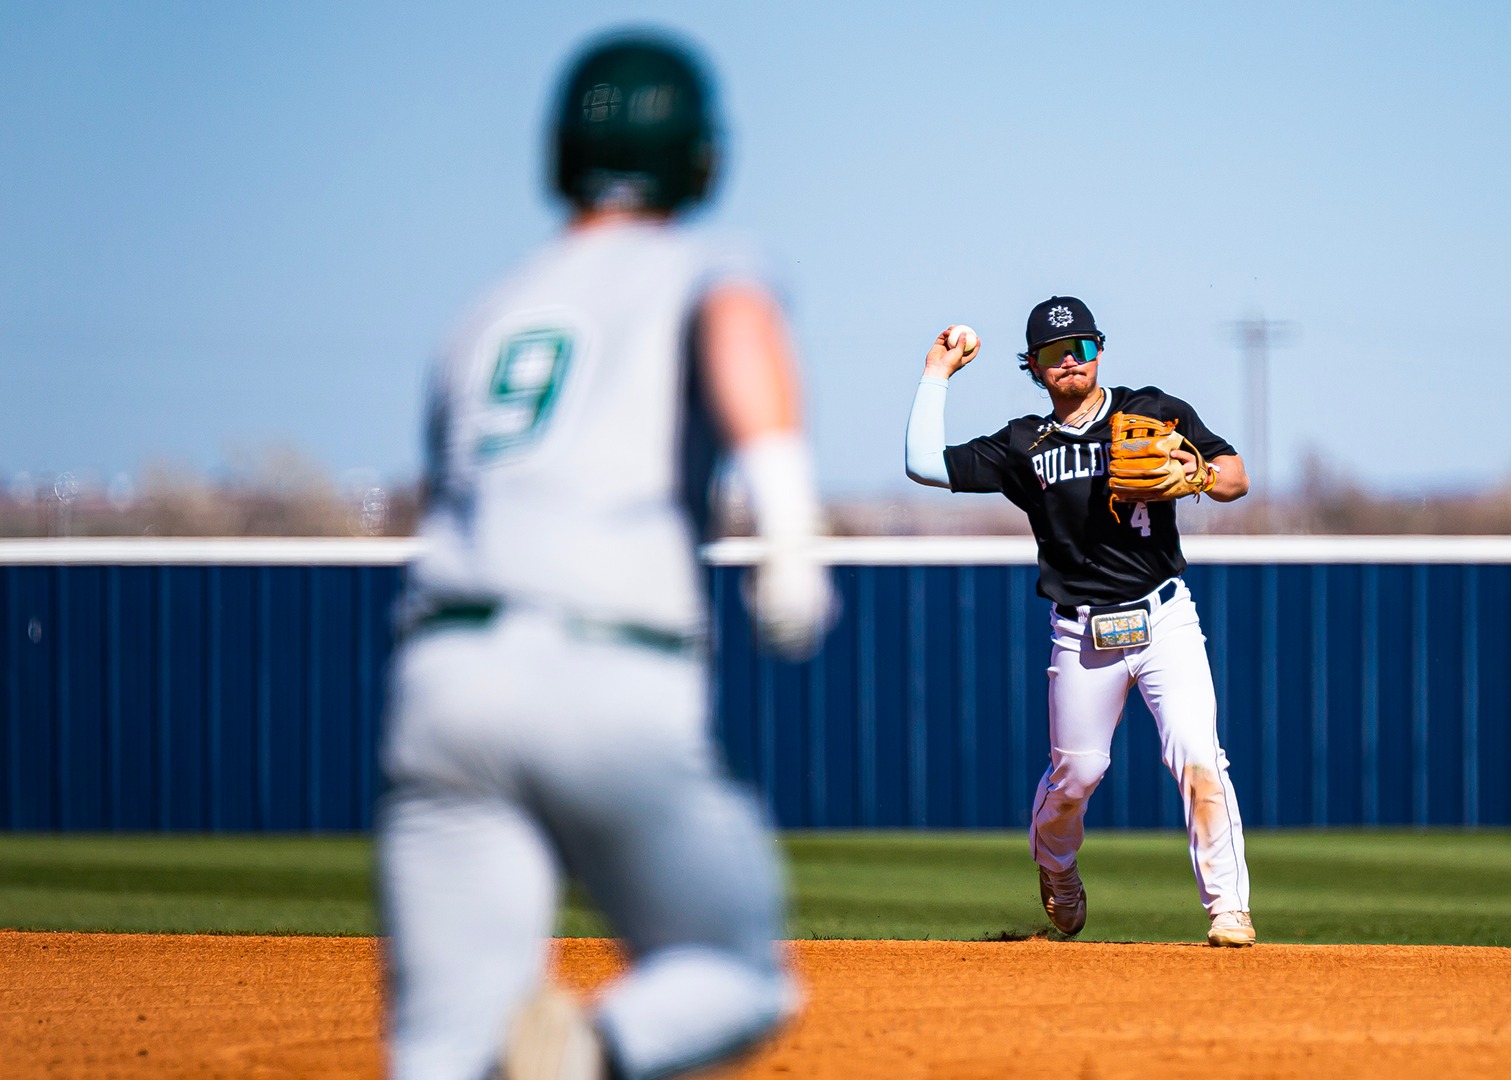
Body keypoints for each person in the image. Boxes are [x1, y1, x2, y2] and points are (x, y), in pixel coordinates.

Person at [376, 32, 833, 1080]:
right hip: (605, 662)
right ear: (701, 161)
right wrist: (791, 537)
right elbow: (739, 326)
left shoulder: (480, 315)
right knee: (738, 971)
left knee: (443, 1051)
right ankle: (590, 1049)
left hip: (443, 678)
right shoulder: (702, 264)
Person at [904, 296, 1256, 947]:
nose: (1069, 360)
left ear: (1099, 351)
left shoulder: (1151, 411)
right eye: (1052, 354)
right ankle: (1057, 867)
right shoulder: (1022, 445)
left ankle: (1228, 908)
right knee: (1076, 777)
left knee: (1199, 755)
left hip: (1165, 620)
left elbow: (1236, 477)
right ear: (1034, 368)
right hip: (1083, 633)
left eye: (1081, 347)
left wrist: (1200, 473)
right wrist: (937, 373)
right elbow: (924, 465)